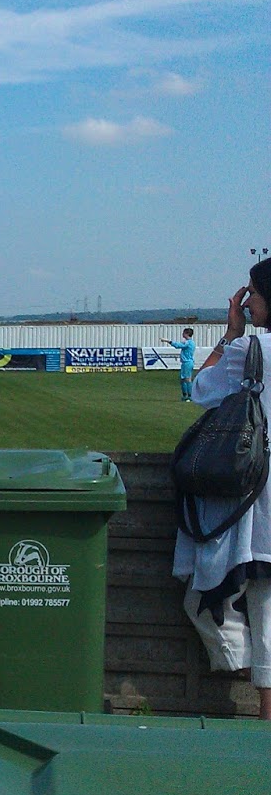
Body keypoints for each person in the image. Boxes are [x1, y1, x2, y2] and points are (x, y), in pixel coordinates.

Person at [173, 258, 271, 719]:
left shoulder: (250, 350)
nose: (246, 301)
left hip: (258, 509)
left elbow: (200, 388)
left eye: (251, 292)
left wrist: (230, 332)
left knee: (262, 624)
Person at [168, 328, 198, 402]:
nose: (182, 334)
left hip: (187, 362)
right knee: (183, 379)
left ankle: (190, 396)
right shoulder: (191, 342)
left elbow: (178, 345)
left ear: (187, 334)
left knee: (187, 379)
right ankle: (185, 395)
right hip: (187, 362)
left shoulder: (188, 342)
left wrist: (169, 341)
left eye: (183, 333)